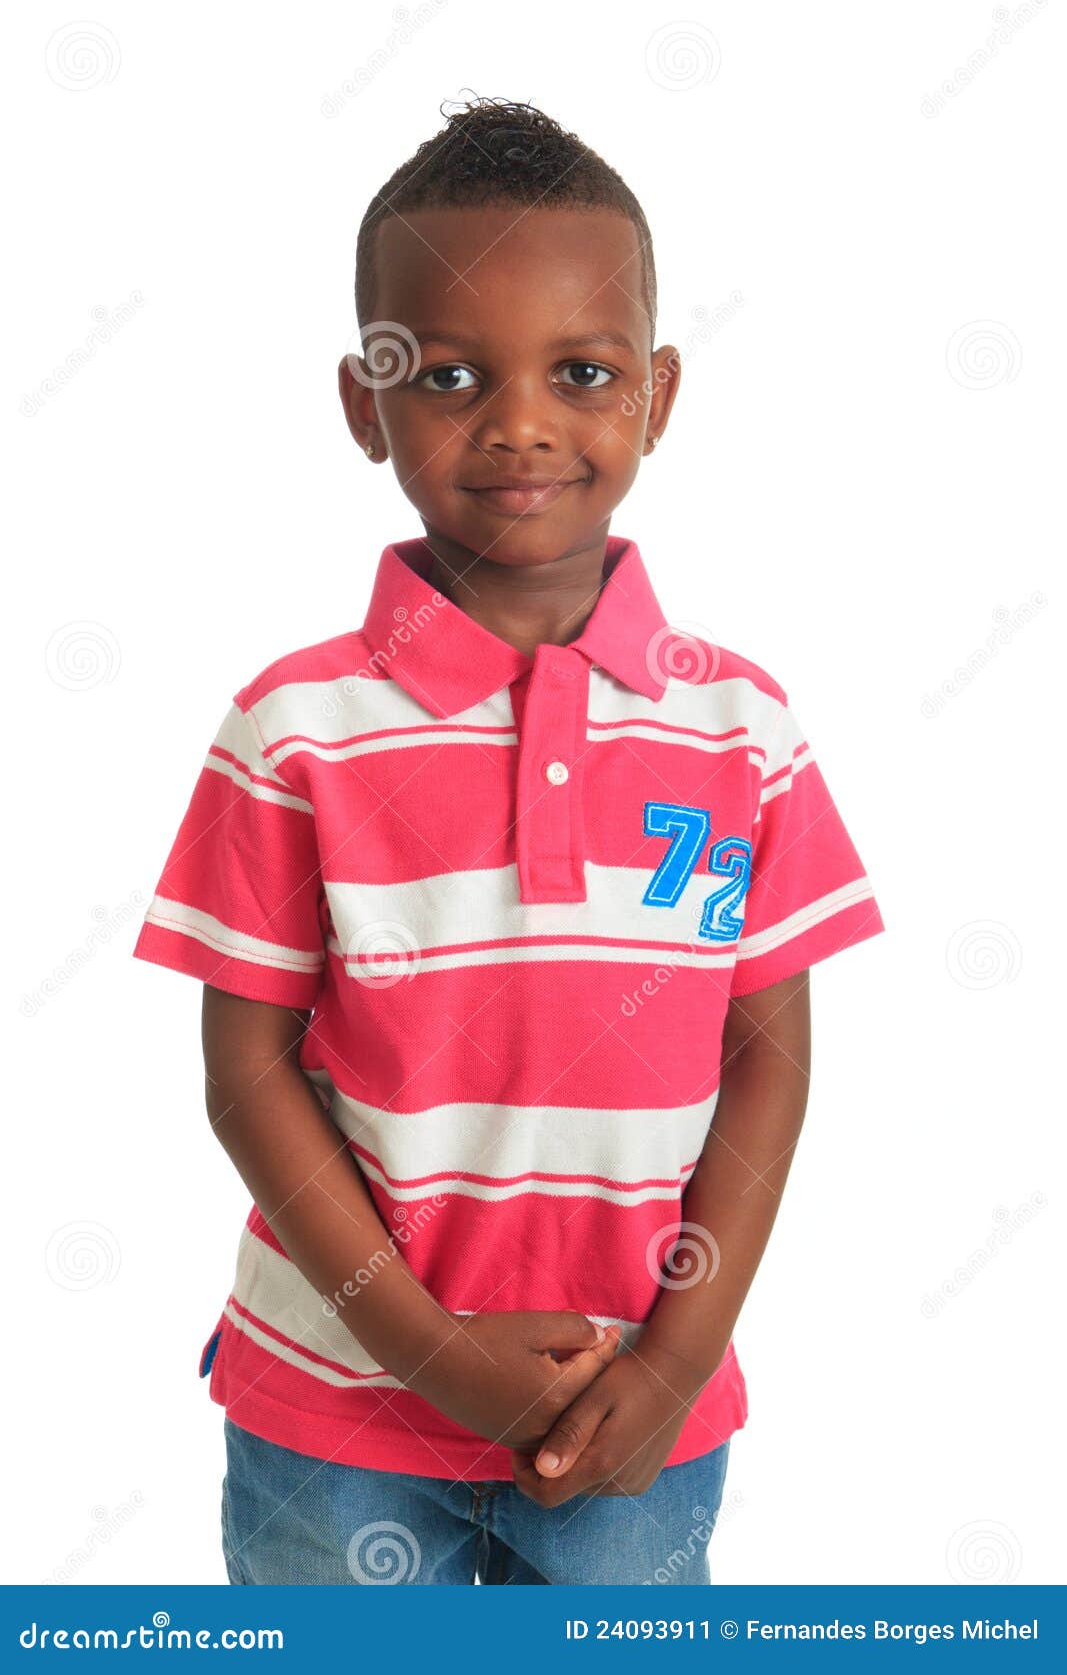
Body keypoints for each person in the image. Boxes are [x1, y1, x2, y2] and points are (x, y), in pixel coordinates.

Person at [133, 95, 885, 1586]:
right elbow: (246, 1069)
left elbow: (771, 1057)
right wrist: (423, 1350)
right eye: (454, 375)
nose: (522, 422)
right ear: (366, 406)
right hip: (333, 1417)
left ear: (657, 397)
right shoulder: (294, 730)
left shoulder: (743, 728)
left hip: (632, 1426)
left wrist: (675, 1363)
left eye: (583, 371)